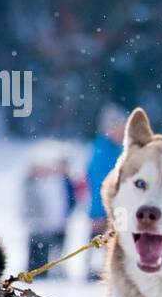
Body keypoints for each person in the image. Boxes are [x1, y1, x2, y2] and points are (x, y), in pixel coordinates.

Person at [86, 104, 126, 279]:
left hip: (122, 206)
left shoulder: (120, 148)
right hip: (106, 208)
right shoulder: (102, 151)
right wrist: (98, 212)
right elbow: (98, 185)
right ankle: (96, 271)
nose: (122, 130)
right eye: (119, 127)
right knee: (102, 242)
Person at [23, 150, 77, 279]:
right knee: (37, 247)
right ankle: (37, 271)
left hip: (58, 221)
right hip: (38, 221)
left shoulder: (61, 182)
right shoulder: (33, 182)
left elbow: (66, 201)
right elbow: (32, 202)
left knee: (56, 247)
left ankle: (53, 271)